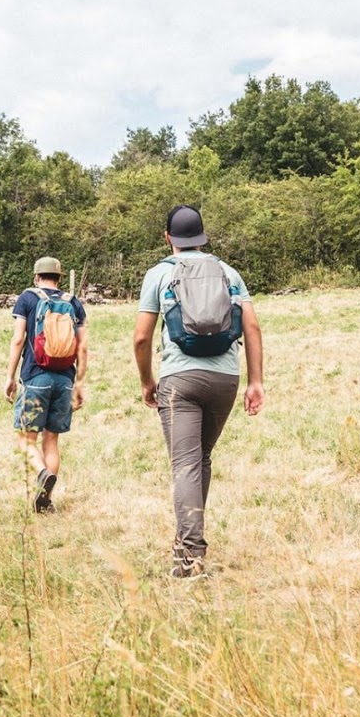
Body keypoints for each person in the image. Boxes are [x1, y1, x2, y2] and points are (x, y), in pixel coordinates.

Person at [133, 205, 264, 578]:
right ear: (204, 237)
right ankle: (187, 538)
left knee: (185, 464)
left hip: (180, 381)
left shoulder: (159, 274)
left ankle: (189, 555)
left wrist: (147, 381)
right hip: (225, 378)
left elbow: (142, 336)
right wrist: (255, 381)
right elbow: (252, 329)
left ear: (167, 237)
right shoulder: (228, 272)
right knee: (200, 459)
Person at [3, 257, 88, 512]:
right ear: (59, 277)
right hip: (64, 380)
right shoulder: (73, 302)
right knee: (51, 441)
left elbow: (19, 340)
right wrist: (79, 383)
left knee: (26, 440)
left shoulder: (28, 298)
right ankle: (45, 501)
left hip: (35, 377)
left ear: (36, 276)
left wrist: (10, 376)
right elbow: (83, 348)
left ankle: (41, 472)